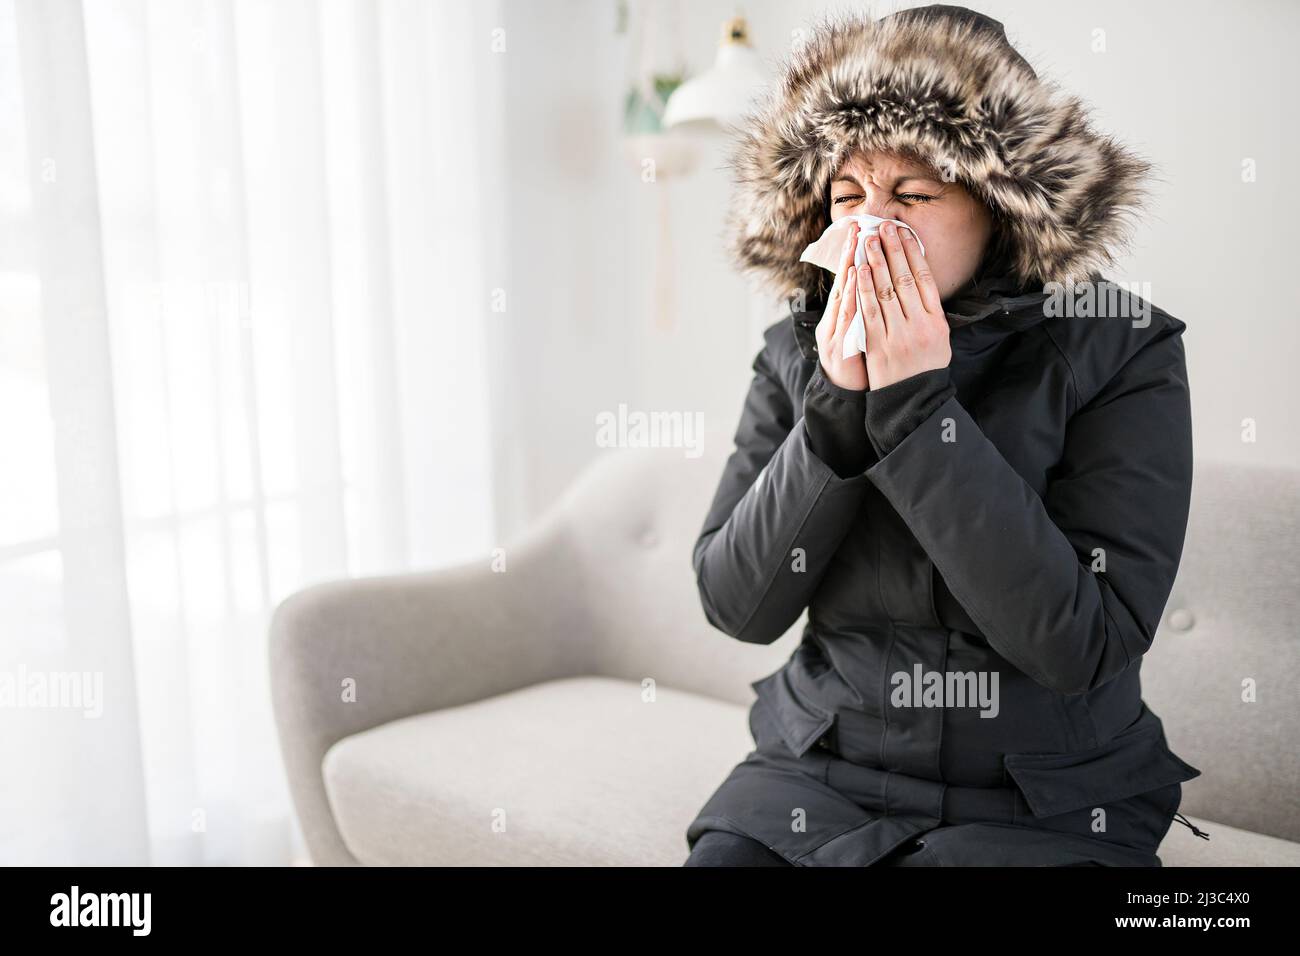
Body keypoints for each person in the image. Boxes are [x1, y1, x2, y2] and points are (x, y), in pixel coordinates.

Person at [682, 4, 1208, 867]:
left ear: (1002, 207)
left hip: (1043, 796)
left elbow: (1082, 646)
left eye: (913, 195)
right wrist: (835, 410)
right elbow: (737, 605)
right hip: (820, 770)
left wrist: (919, 412)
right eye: (847, 198)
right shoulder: (792, 353)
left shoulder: (1122, 349)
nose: (870, 228)